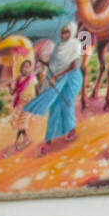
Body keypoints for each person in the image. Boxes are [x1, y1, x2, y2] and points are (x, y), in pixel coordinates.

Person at [23, 21, 83, 154]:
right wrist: (43, 61)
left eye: (67, 31)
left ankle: (71, 129)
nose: (64, 34)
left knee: (66, 105)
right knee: (54, 106)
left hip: (71, 79)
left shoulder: (76, 45)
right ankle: (48, 140)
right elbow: (53, 64)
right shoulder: (58, 47)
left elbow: (73, 66)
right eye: (62, 31)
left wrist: (56, 76)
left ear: (72, 32)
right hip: (57, 79)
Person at [6, 57, 36, 154]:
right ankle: (23, 139)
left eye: (28, 67)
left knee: (22, 121)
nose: (25, 69)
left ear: (30, 69)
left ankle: (20, 141)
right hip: (20, 102)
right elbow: (13, 93)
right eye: (24, 67)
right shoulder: (19, 79)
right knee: (17, 121)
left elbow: (38, 91)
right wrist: (9, 87)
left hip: (29, 102)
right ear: (21, 68)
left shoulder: (32, 78)